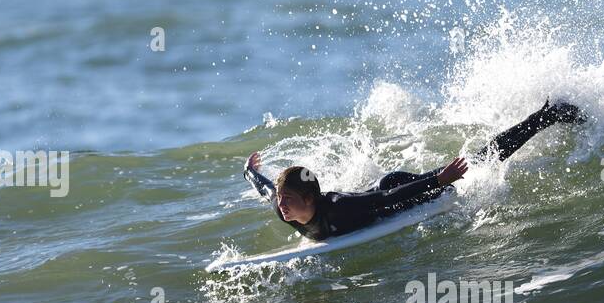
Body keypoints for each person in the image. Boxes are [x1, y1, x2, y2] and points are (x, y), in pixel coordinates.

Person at [244, 99, 585, 241]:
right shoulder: (283, 209)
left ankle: (547, 115)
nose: (282, 205)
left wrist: (439, 180)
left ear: (310, 198)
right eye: (282, 200)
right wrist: (250, 171)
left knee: (480, 161)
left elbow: (387, 196)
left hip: (395, 194)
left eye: (288, 199)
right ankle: (546, 116)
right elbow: (264, 189)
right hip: (381, 191)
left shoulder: (339, 206)